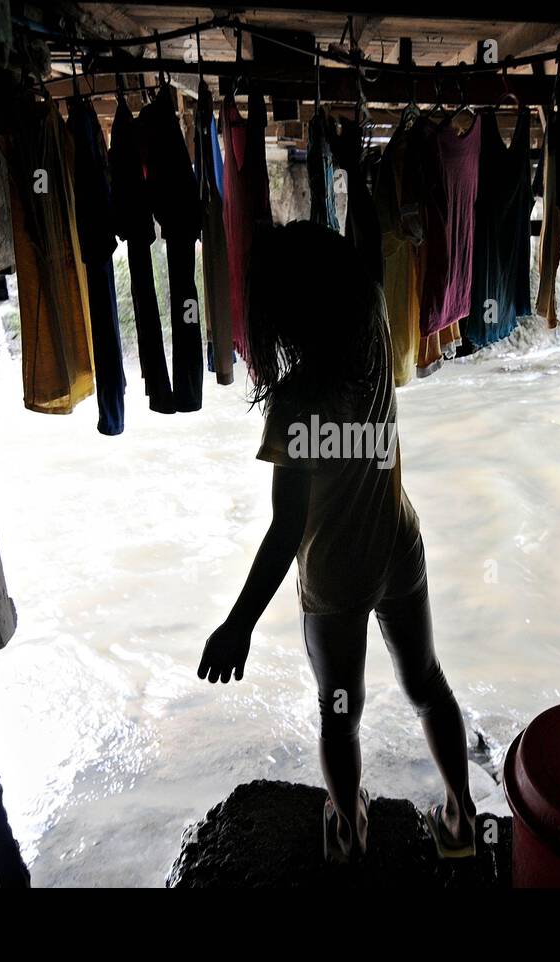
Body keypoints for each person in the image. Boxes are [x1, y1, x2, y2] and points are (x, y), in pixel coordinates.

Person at [198, 221, 476, 863]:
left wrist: (238, 625)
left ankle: (349, 831)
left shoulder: (295, 403)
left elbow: (286, 529)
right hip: (398, 547)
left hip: (336, 575)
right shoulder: (375, 324)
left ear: (288, 315)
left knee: (340, 710)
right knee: (427, 684)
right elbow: (356, 262)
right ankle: (461, 822)